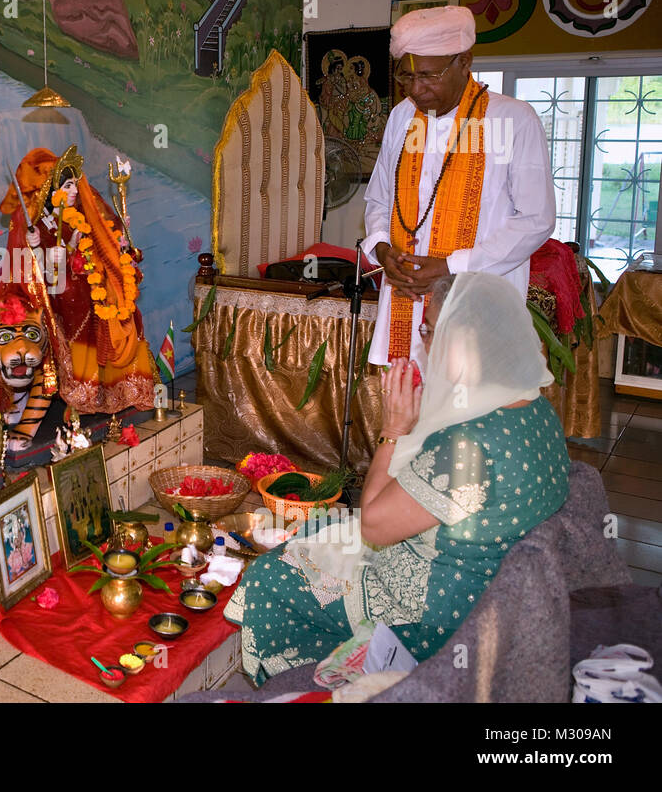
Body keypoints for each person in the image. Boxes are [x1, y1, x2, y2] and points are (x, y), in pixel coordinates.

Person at [225, 273, 570, 685]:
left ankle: (307, 687)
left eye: (428, 331)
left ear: (460, 344)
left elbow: (375, 524)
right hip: (498, 600)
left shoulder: (467, 448)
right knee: (319, 526)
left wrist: (394, 429)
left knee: (272, 575)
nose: (423, 344)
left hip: (436, 622)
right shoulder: (537, 410)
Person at [363, 5, 555, 367]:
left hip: (479, 302)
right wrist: (383, 251)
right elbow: (378, 198)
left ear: (464, 62)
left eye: (428, 76)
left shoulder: (513, 119)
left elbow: (536, 218)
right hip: (406, 303)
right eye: (405, 76)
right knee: (409, 414)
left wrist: (453, 266)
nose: (415, 89)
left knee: (472, 412)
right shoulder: (402, 117)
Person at [2, 147, 156, 414]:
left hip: (82, 284)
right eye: (68, 185)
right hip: (57, 294)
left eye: (75, 184)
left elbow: (96, 251)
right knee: (80, 297)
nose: (75, 191)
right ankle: (84, 388)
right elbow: (46, 276)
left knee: (116, 298)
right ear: (50, 191)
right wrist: (40, 248)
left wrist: (118, 248)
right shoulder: (38, 227)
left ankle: (119, 386)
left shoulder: (78, 217)